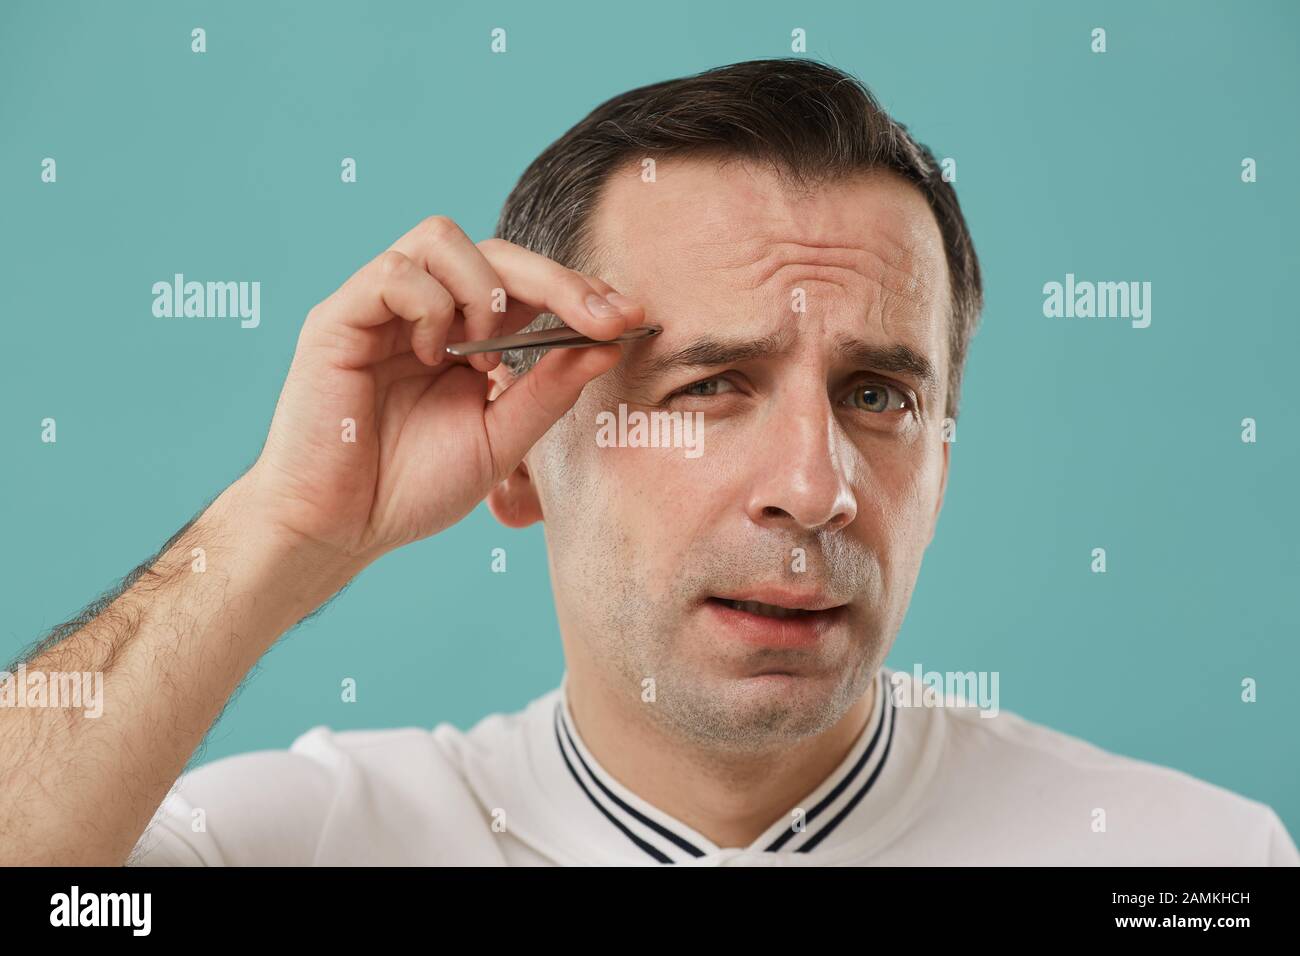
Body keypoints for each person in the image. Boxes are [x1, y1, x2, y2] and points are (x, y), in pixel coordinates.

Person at [3, 58, 1295, 866]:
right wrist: (280, 531)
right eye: (711, 386)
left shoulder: (1187, 869)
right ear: (519, 456)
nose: (815, 482)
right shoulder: (283, 850)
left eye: (878, 394)